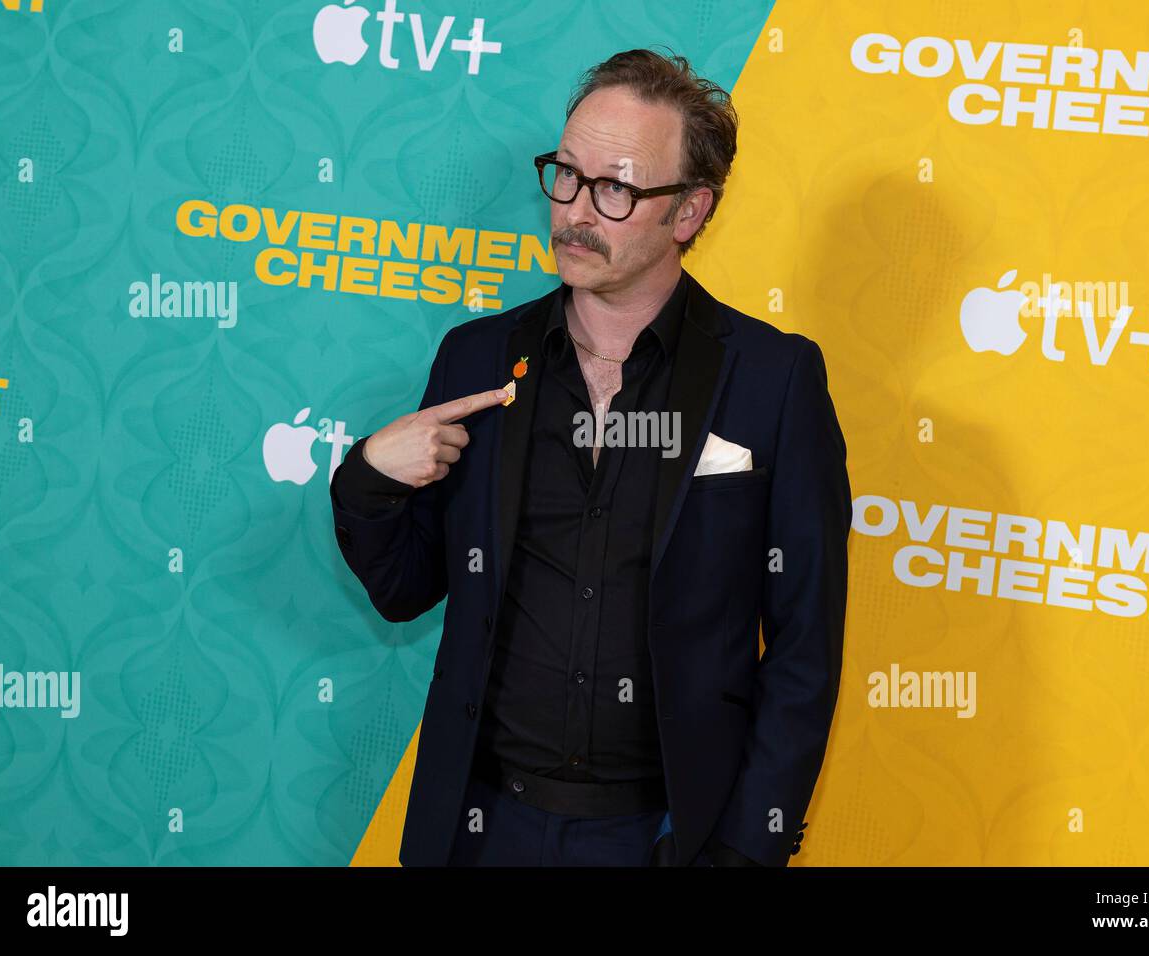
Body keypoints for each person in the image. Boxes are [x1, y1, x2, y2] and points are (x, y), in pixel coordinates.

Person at [330, 47, 851, 867]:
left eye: (615, 189)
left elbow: (804, 646)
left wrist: (751, 848)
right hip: (482, 825)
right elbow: (405, 590)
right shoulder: (476, 357)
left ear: (689, 212)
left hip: (665, 834)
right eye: (565, 175)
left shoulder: (773, 380)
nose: (574, 212)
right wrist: (366, 482)